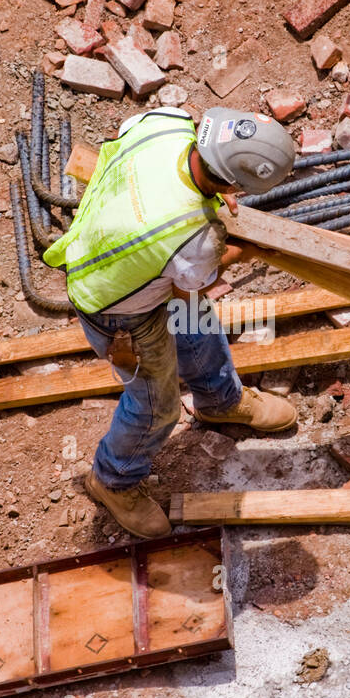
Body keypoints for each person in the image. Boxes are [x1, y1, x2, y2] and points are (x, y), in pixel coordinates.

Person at [43, 106, 299, 538]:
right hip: (117, 308)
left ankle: (220, 402)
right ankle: (112, 481)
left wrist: (213, 195)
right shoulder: (194, 236)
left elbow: (187, 285)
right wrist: (253, 251)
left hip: (129, 263)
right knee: (155, 406)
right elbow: (200, 275)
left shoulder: (165, 123)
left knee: (194, 317)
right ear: (235, 183)